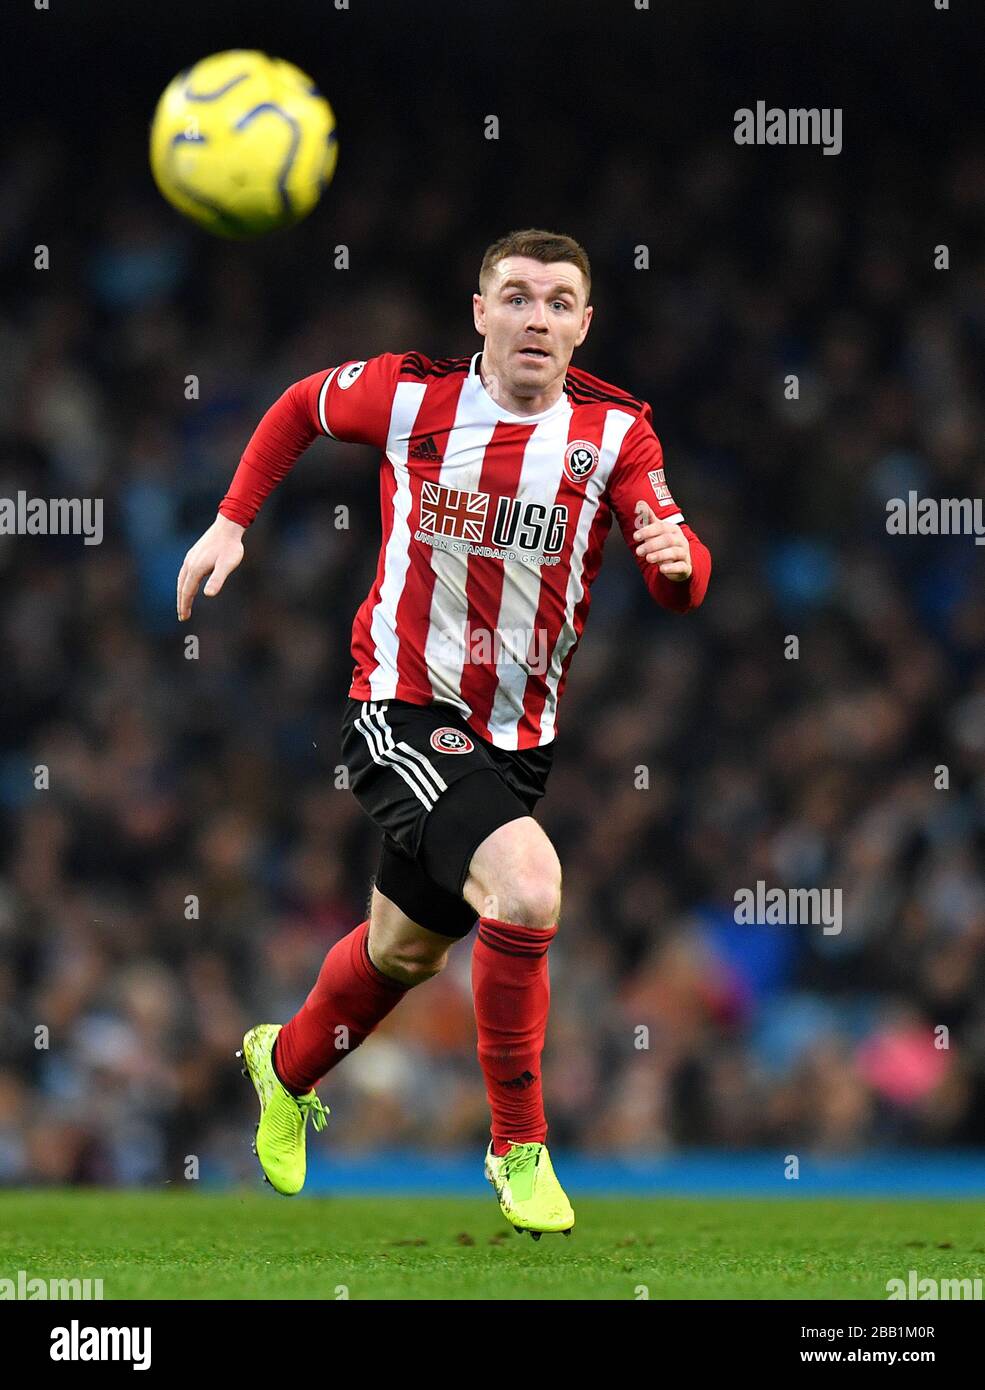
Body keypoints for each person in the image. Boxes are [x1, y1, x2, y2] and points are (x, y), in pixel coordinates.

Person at [176, 228, 712, 1237]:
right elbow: (299, 406)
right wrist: (232, 521)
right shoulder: (411, 397)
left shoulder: (615, 435)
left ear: (583, 326)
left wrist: (678, 562)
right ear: (480, 313)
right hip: (401, 709)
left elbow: (675, 567)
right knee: (529, 885)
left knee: (403, 953)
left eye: (558, 302)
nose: (537, 318)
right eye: (516, 296)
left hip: (516, 740)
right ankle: (518, 1145)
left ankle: (282, 1065)